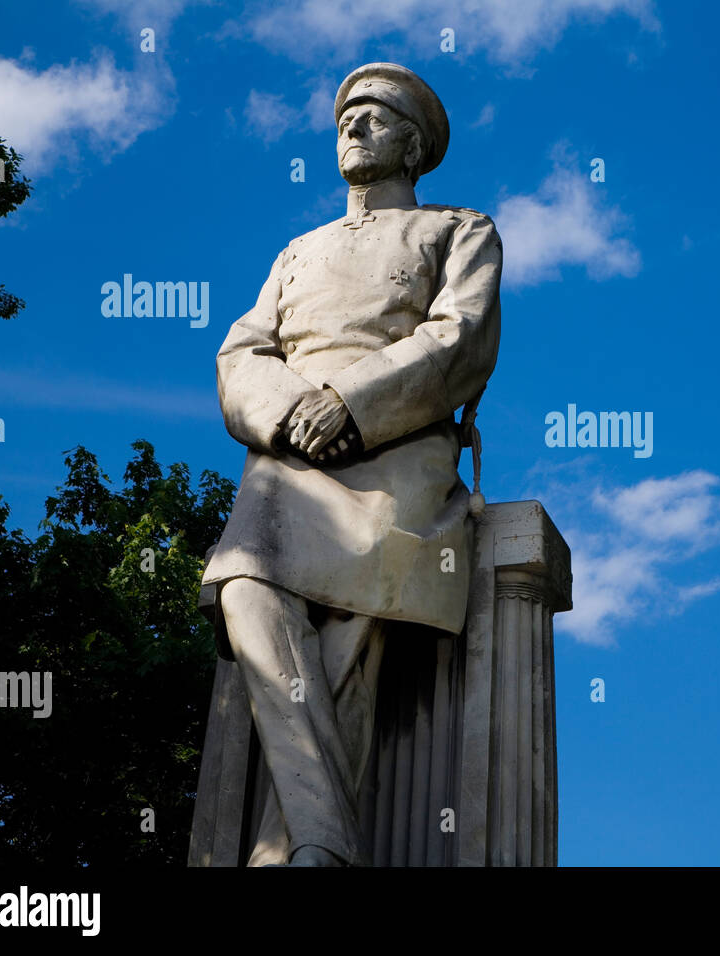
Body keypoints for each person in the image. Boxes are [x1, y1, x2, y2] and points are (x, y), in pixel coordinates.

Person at [200, 62, 502, 866]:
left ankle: (300, 851)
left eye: (374, 118)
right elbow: (241, 353)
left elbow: (460, 339)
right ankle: (324, 844)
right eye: (346, 119)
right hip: (289, 457)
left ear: (412, 146)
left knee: (348, 637)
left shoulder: (457, 231)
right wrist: (293, 414)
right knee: (243, 585)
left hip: (397, 455)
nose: (353, 128)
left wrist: (353, 405)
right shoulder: (298, 251)